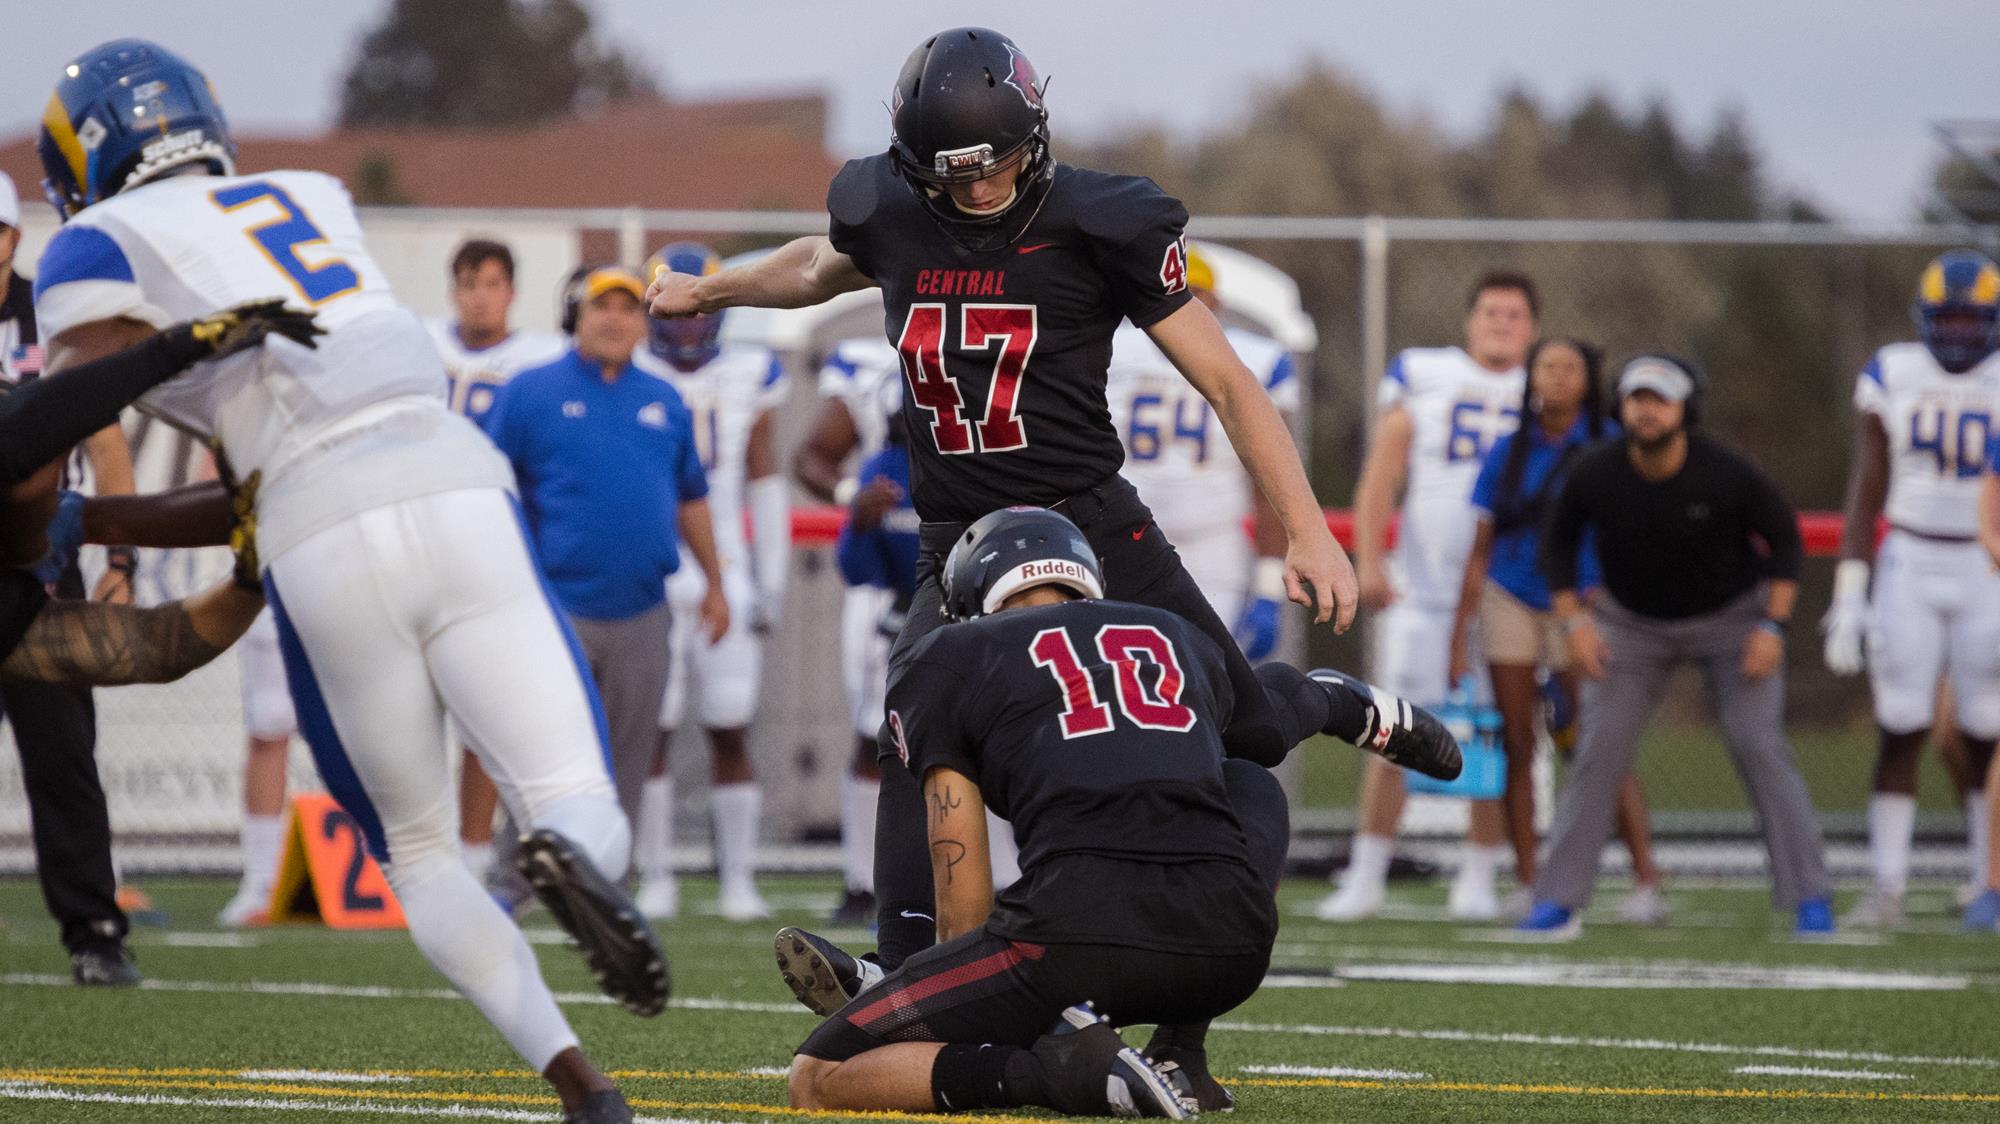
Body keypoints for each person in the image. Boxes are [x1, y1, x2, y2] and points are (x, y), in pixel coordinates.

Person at [648, 27, 1455, 1109]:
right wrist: (714, 293)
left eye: (989, 168)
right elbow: (818, 261)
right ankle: (908, 963)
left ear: (1031, 138)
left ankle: (1328, 709)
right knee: (911, 723)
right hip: (955, 533)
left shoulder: (1099, 220)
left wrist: (1308, 527)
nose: (972, 192)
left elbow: (1225, 380)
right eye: (950, 175)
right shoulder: (894, 206)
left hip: (1088, 521)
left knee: (1241, 733)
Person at [37, 40, 664, 1124]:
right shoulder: (314, 195)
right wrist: (96, 512)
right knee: (575, 793)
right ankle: (572, 859)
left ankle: (582, 1084)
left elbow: (50, 441)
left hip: (315, 521)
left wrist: (61, 525)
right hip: (451, 473)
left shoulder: (89, 245)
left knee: (417, 852)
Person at [785, 507, 1300, 1119]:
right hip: (1234, 949)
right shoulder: (1175, 635)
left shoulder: (951, 656)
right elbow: (1260, 749)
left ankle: (1058, 1072)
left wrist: (957, 1000)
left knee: (817, 1077)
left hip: (1073, 936)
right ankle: (1182, 1050)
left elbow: (963, 912)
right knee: (1249, 779)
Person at [1520, 355, 1833, 939]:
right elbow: (1557, 546)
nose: (1647, 409)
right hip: (1631, 623)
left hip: (1732, 620)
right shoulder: (1597, 470)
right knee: (1598, 749)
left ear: (1686, 409)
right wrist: (1574, 625)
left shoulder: (1727, 473)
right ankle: (1557, 899)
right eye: (1638, 397)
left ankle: (1811, 895)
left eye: (1660, 399)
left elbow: (1787, 542)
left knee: (1758, 744)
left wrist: (1774, 627)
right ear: (1621, 406)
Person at [483, 263, 729, 888]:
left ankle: (602, 891)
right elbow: (488, 486)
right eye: (602, 308)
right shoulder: (530, 392)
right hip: (554, 607)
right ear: (577, 316)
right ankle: (516, 882)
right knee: (542, 753)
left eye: (627, 308)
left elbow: (691, 496)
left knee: (627, 759)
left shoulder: (664, 399)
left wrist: (718, 584)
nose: (615, 319)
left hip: (644, 608)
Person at [1318, 270, 1535, 924]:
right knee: (1393, 730)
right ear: (1469, 320)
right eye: (1491, 311)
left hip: (1508, 592)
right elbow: (1383, 468)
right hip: (1425, 585)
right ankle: (1367, 872)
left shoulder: (1546, 388)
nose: (1501, 323)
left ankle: (1478, 876)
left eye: (1515, 314)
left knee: (1496, 735)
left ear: (1530, 327)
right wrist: (1369, 559)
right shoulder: (1427, 374)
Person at [1447, 337, 1665, 923]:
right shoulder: (1510, 450)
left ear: (1589, 381)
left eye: (1570, 368)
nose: (1558, 377)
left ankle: (1645, 878)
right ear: (1531, 377)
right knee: (1518, 741)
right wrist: (1456, 638)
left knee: (1596, 741)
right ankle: (1530, 878)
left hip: (1584, 602)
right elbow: (1481, 544)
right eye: (1547, 366)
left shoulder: (1611, 447)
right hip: (1510, 594)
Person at [0, 165, 149, 979]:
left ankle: (94, 927)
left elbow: (104, 438)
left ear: (12, 239)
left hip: (45, 572)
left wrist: (121, 558)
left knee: (62, 755)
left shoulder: (52, 318)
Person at [1822, 249, 2000, 929]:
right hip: (1912, 559)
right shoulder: (1892, 371)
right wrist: (1849, 594)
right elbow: (1867, 489)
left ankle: (1988, 880)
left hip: (1988, 563)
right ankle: (1888, 886)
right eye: (1946, 316)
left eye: (1970, 316)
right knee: (1901, 724)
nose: (1957, 331)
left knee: (1986, 728)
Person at [627, 242, 790, 922]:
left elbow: (763, 478)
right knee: (653, 730)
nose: (689, 326)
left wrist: (770, 580)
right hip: (654, 572)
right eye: (674, 312)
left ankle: (738, 878)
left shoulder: (751, 369)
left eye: (698, 311)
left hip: (726, 568)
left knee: (730, 723)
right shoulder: (628, 369)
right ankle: (656, 875)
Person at [425, 238, 567, 881]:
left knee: (490, 709)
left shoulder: (541, 359)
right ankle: (429, 855)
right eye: (468, 282)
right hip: (424, 542)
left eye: (491, 282)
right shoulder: (421, 343)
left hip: (501, 547)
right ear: (452, 290)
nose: (479, 295)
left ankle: (478, 855)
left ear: (511, 291)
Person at [1105, 242, 1297, 658]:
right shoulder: (1112, 348)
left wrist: (1267, 586)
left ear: (1215, 303)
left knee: (1204, 677)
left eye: (1192, 294)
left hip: (1212, 544)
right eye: (1170, 292)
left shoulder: (1256, 359)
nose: (1180, 307)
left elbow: (1268, 477)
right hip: (1124, 536)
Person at [797, 335, 906, 926]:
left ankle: (1004, 878)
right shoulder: (869, 367)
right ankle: (862, 880)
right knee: (875, 730)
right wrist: (852, 500)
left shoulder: (994, 340)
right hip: (887, 575)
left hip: (971, 558)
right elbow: (812, 455)